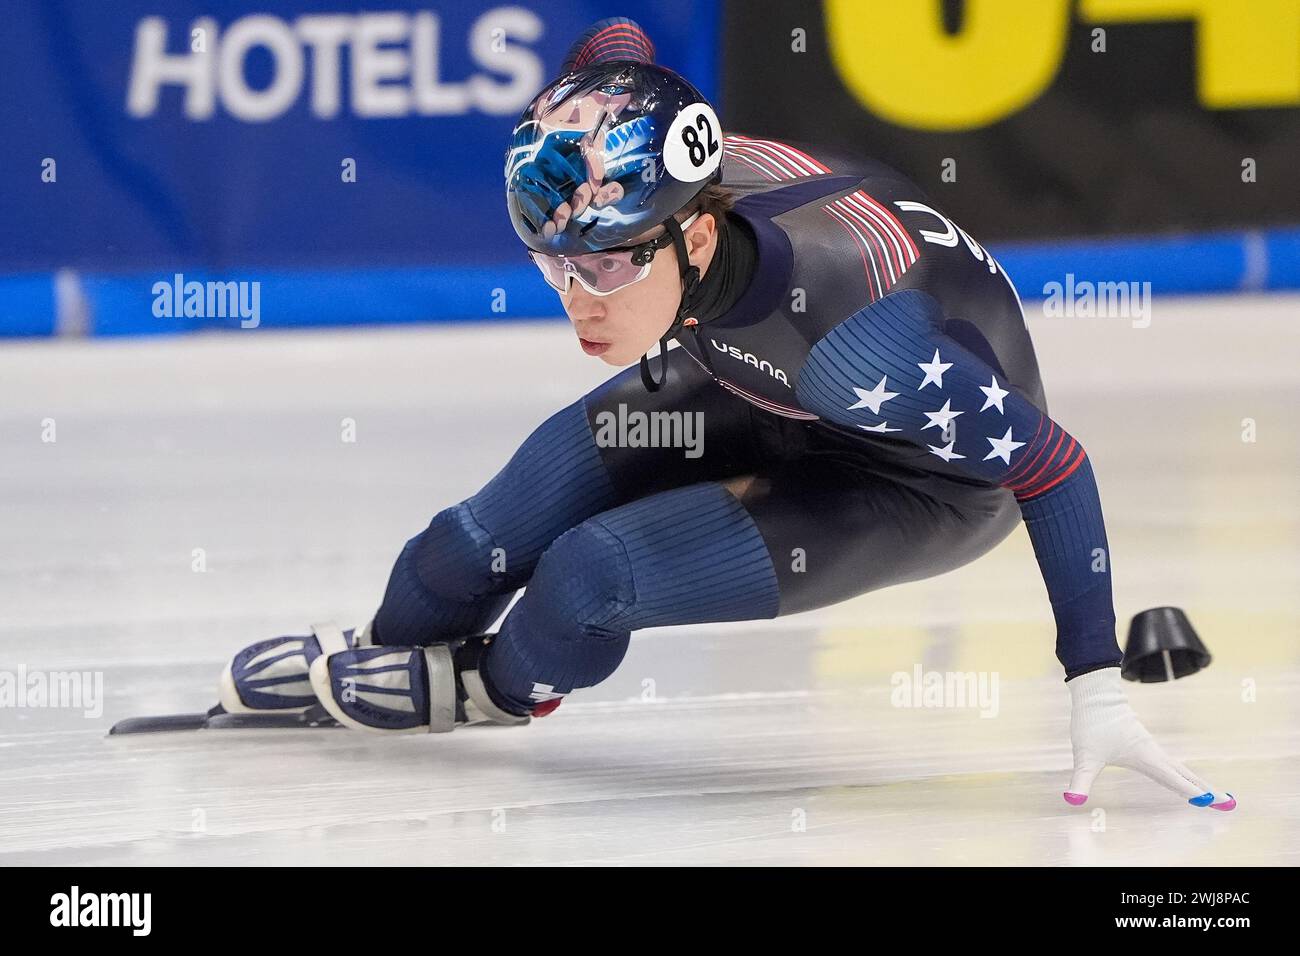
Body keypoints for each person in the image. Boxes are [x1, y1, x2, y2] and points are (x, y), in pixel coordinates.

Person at [220, 18, 1233, 811]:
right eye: (553, 263)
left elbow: (1051, 464)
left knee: (584, 576)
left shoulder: (856, 345)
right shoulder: (647, 173)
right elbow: (618, 51)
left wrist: (1095, 679)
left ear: (694, 241)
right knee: (465, 544)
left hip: (908, 477)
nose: (579, 295)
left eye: (607, 263)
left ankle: (497, 687)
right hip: (751, 365)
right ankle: (391, 647)